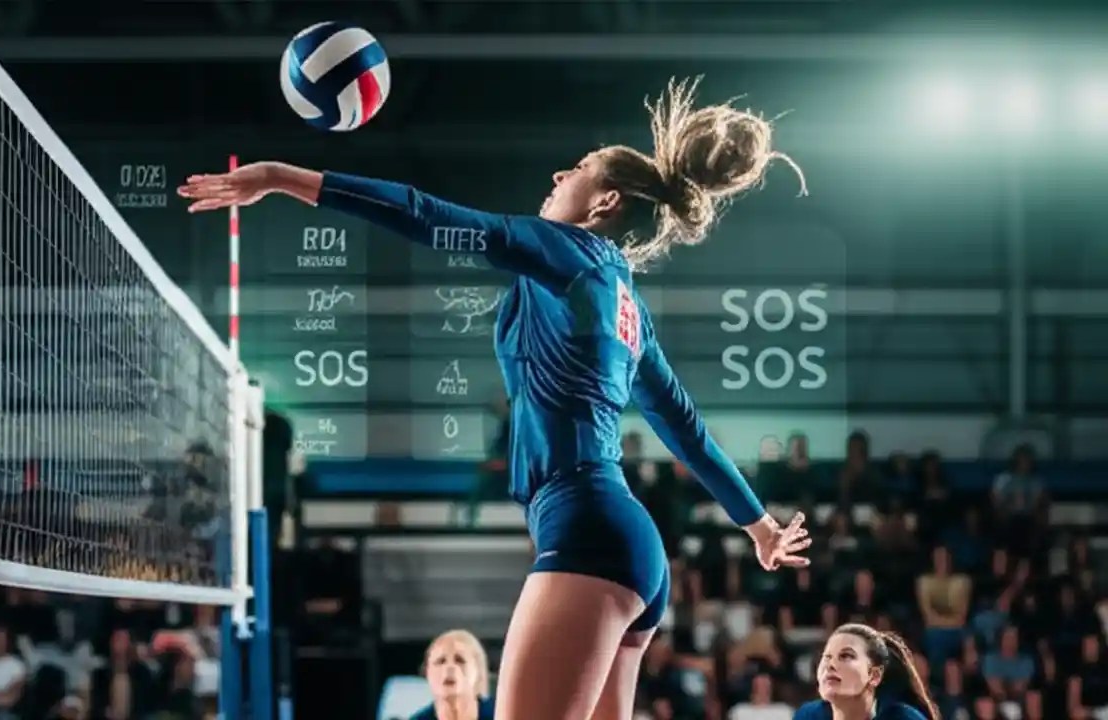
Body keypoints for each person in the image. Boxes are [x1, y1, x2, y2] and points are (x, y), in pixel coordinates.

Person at [179, 76, 812, 720]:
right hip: (628, 548)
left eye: (580, 169)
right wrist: (755, 523)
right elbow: (685, 428)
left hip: (587, 531)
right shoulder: (628, 308)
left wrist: (284, 176)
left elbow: (427, 215)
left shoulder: (565, 252)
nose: (562, 172)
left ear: (603, 203)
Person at [795, 624, 940, 720]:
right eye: (827, 657)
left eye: (846, 656)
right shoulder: (808, 715)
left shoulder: (902, 718)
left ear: (874, 675)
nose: (830, 665)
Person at [411, 630, 495, 720]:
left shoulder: (502, 713)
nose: (449, 667)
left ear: (479, 671)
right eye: (440, 661)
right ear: (427, 673)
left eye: (459, 660)